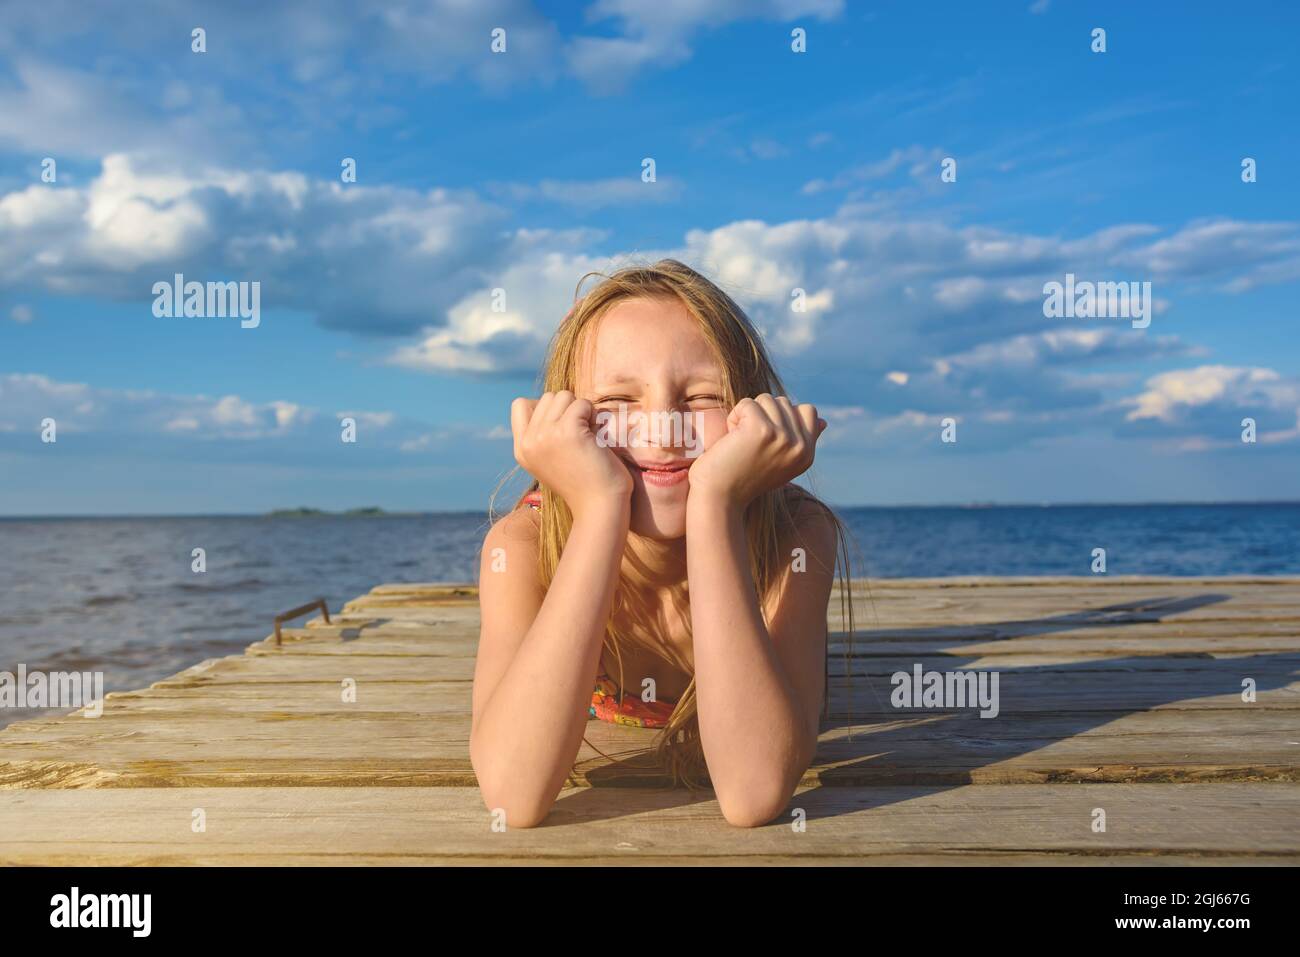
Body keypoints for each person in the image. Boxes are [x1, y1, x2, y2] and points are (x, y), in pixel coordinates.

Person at [470, 259, 850, 828]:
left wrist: (716, 503)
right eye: (616, 400)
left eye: (702, 397)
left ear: (753, 411)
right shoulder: (522, 546)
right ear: (564, 418)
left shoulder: (794, 534)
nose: (662, 429)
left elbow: (753, 792)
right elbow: (511, 798)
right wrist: (600, 507)